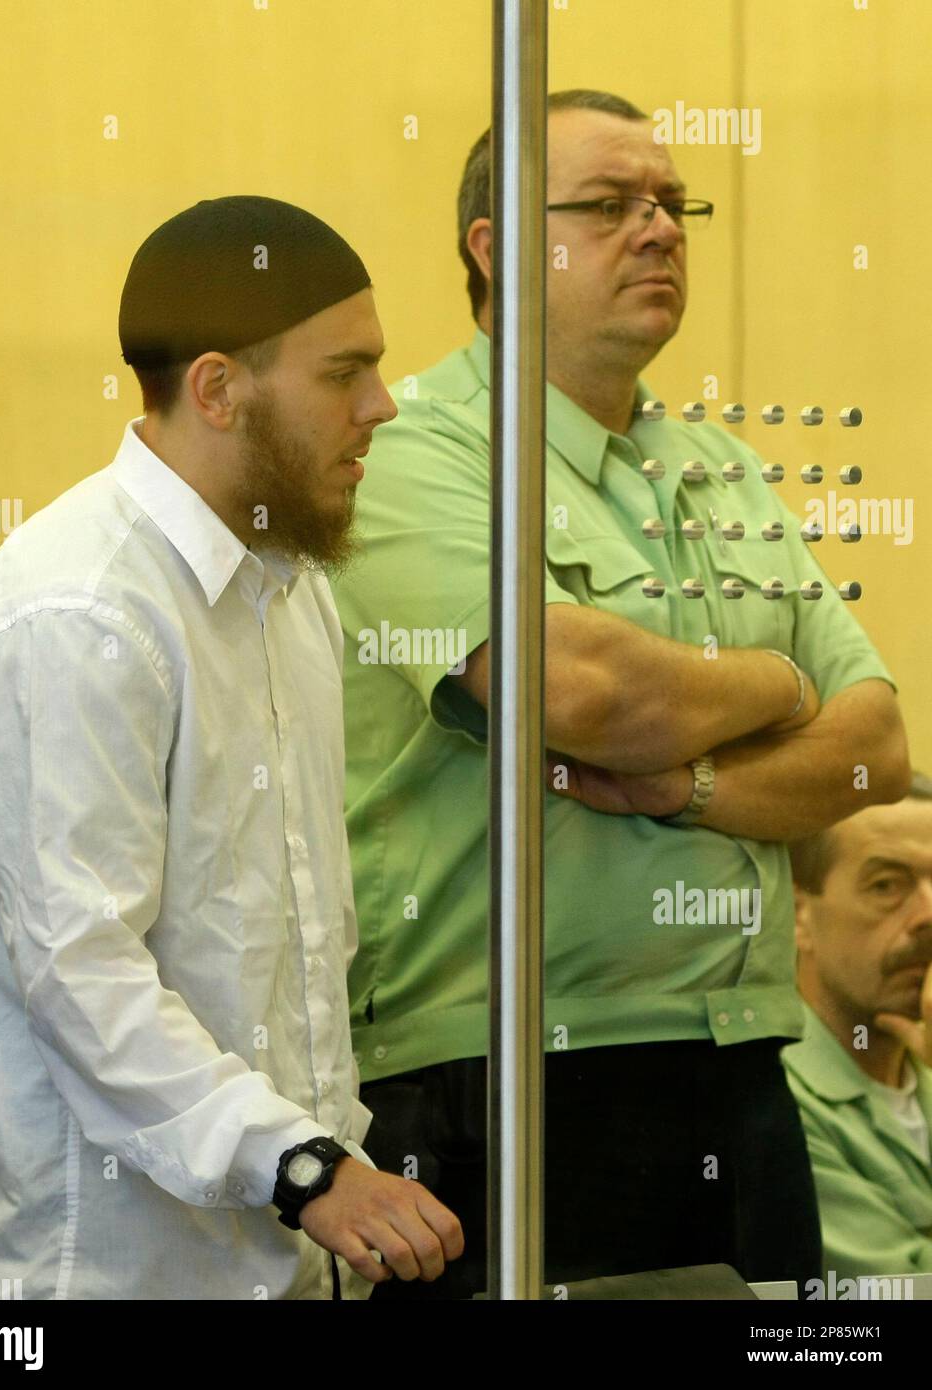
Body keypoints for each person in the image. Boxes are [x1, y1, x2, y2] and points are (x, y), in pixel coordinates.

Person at [330, 90, 910, 1299]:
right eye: (605, 207)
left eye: (670, 204)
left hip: (741, 1060)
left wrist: (689, 784)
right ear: (492, 249)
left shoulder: (721, 468)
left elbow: (875, 748)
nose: (656, 229)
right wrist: (777, 680)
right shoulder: (416, 445)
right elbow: (573, 691)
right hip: (502, 1072)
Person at [0, 196, 462, 1300]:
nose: (382, 406)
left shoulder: (287, 593)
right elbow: (84, 978)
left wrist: (318, 1181)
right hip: (107, 1278)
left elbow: (297, 951)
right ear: (218, 388)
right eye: (342, 373)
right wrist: (307, 1169)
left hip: (282, 1258)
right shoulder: (79, 610)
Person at [785, 776, 932, 1283]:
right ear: (799, 914)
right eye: (887, 885)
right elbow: (901, 1291)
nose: (928, 915)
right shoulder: (777, 1102)